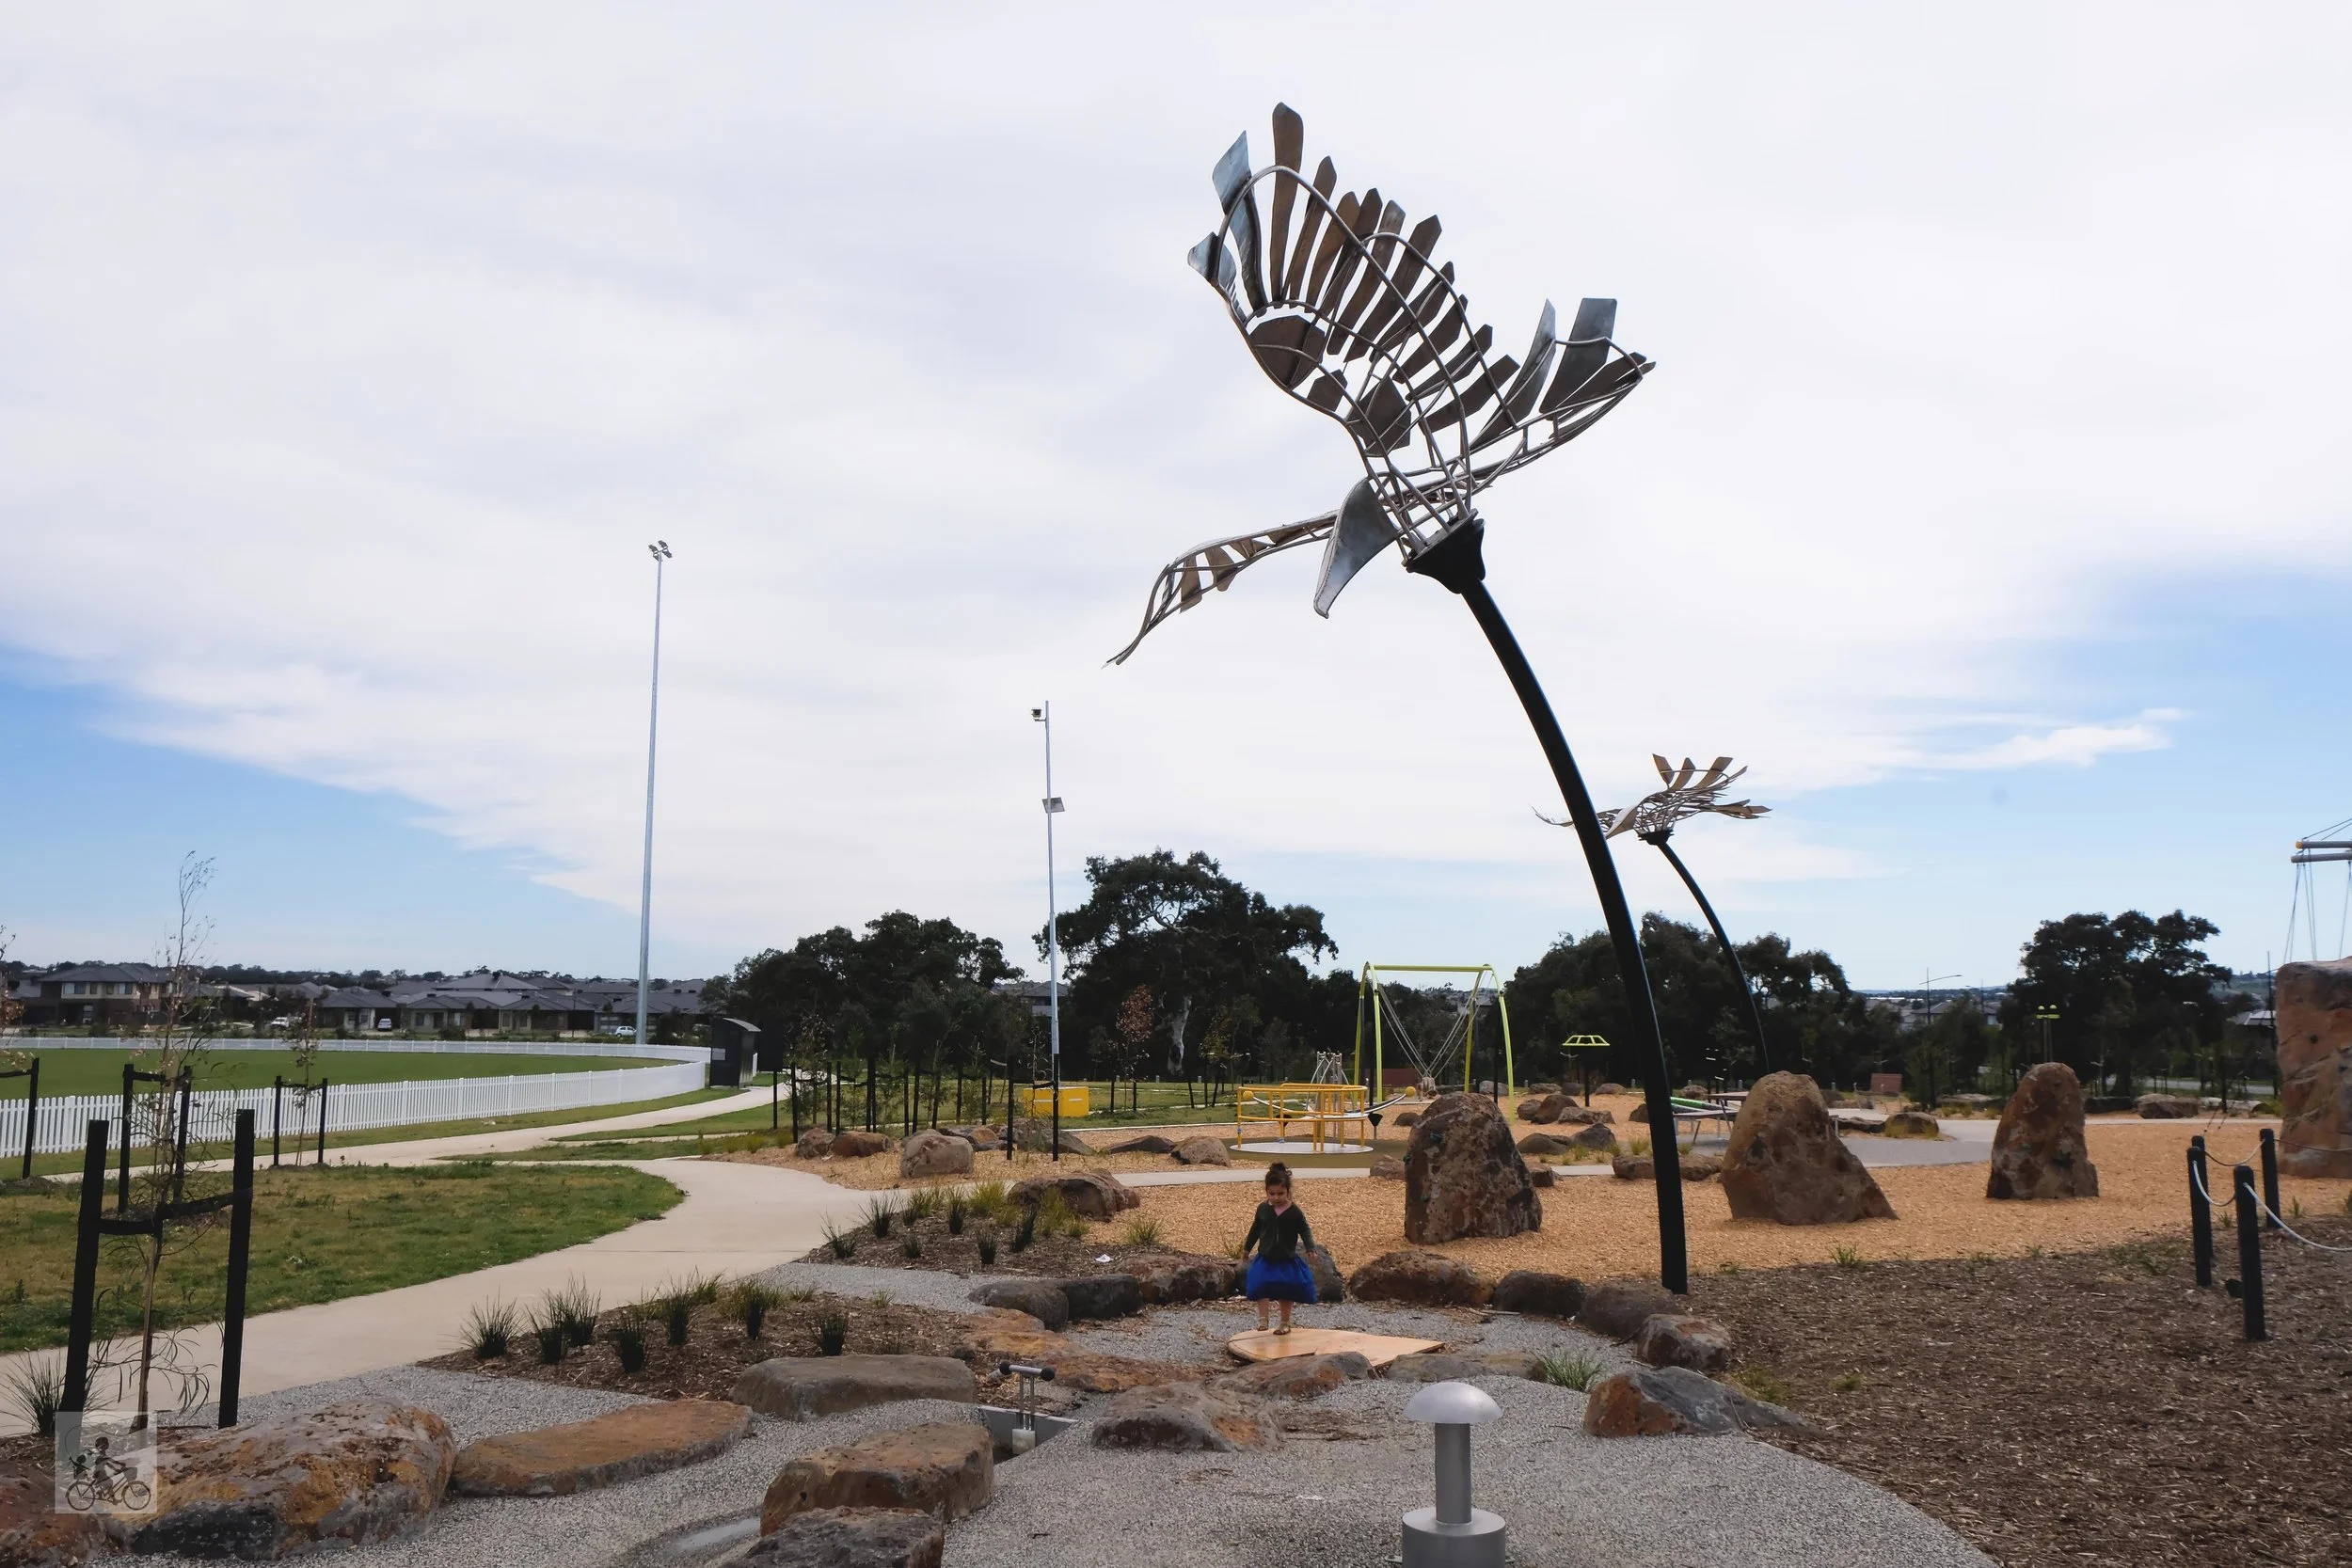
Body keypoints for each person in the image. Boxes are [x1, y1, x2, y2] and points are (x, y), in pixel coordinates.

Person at [1241, 1162, 1317, 1334]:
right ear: (1266, 1191)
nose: (1276, 1197)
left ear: (1288, 1191)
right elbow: (1255, 1229)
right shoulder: (1263, 1209)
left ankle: (1284, 1322)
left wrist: (1310, 1247)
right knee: (1259, 1284)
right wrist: (1247, 1248)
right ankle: (1263, 1319)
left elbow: (1304, 1229)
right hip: (1265, 1257)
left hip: (1286, 1258)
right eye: (1272, 1193)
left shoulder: (1294, 1212)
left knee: (1286, 1289)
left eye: (1281, 1193)